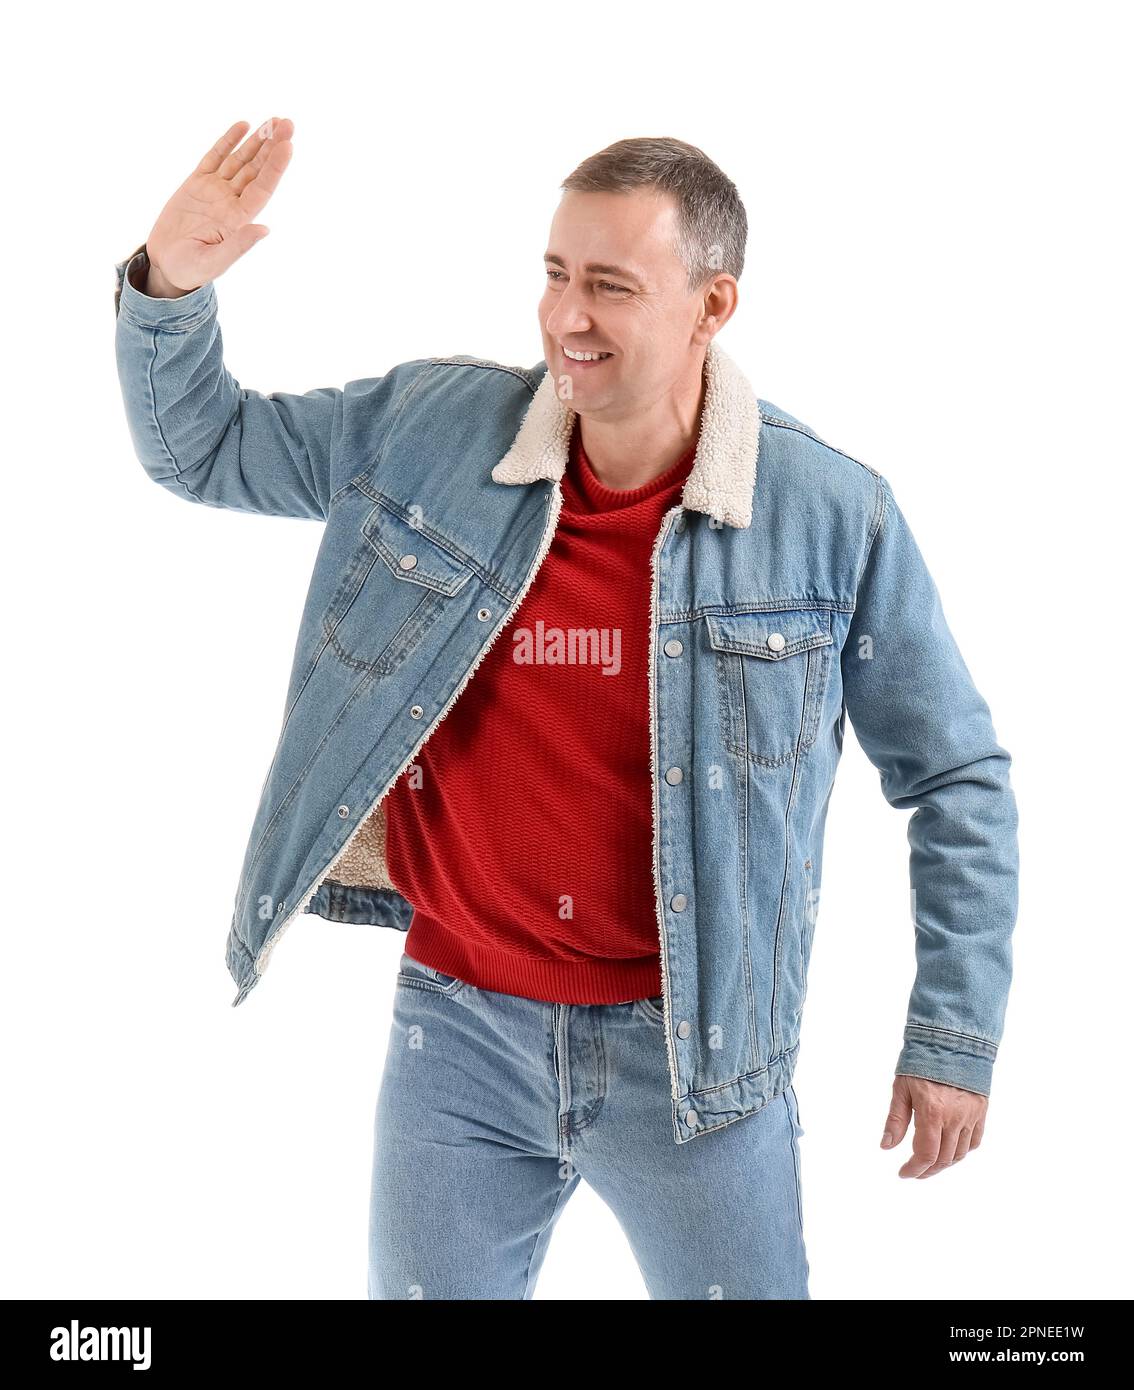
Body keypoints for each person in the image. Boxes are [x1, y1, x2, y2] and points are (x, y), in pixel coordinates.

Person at [113, 118, 1019, 1300]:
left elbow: (956, 778)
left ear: (712, 305)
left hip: (696, 1061)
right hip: (456, 1036)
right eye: (555, 274)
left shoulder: (829, 515)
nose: (566, 317)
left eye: (610, 285)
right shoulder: (431, 432)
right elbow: (207, 450)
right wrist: (170, 287)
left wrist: (952, 1034)